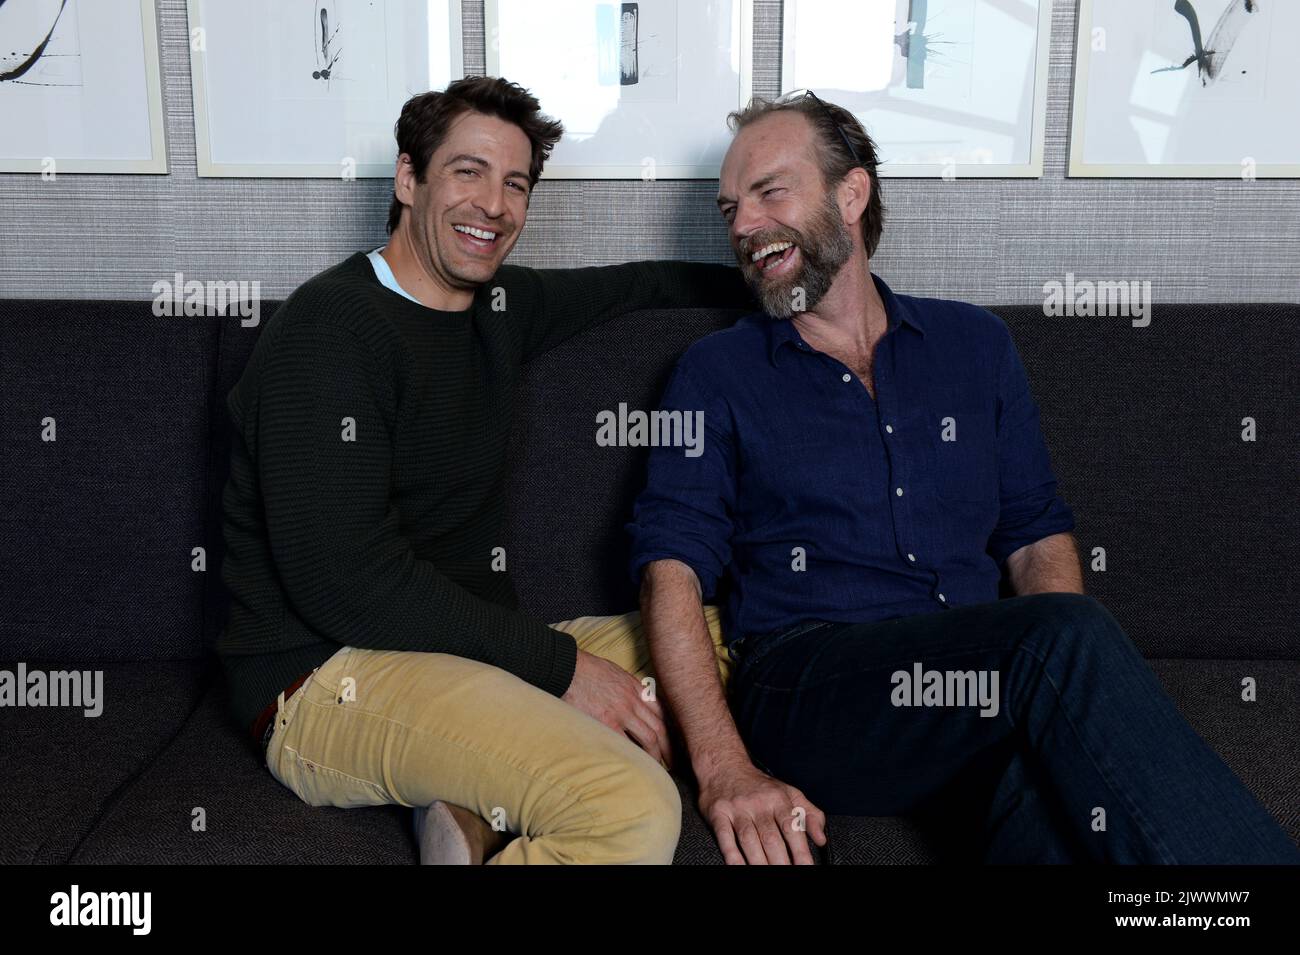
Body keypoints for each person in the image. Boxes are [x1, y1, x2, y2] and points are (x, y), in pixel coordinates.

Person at [627, 90, 1300, 865]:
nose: (743, 226)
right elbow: (670, 569)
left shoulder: (974, 344)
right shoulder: (717, 372)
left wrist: (1060, 712)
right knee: (1061, 634)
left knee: (1049, 804)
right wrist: (723, 770)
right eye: (728, 209)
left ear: (851, 194)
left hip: (972, 689)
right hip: (813, 684)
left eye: (769, 192)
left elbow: (1033, 535)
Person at [218, 76, 750, 864]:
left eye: (515, 183)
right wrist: (561, 668)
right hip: (326, 679)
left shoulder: (500, 306)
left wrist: (796, 286)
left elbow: (644, 284)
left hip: (457, 653)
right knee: (633, 809)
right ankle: (484, 784)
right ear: (409, 179)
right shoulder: (329, 329)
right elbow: (345, 582)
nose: (494, 205)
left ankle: (465, 808)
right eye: (468, 172)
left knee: (735, 634)